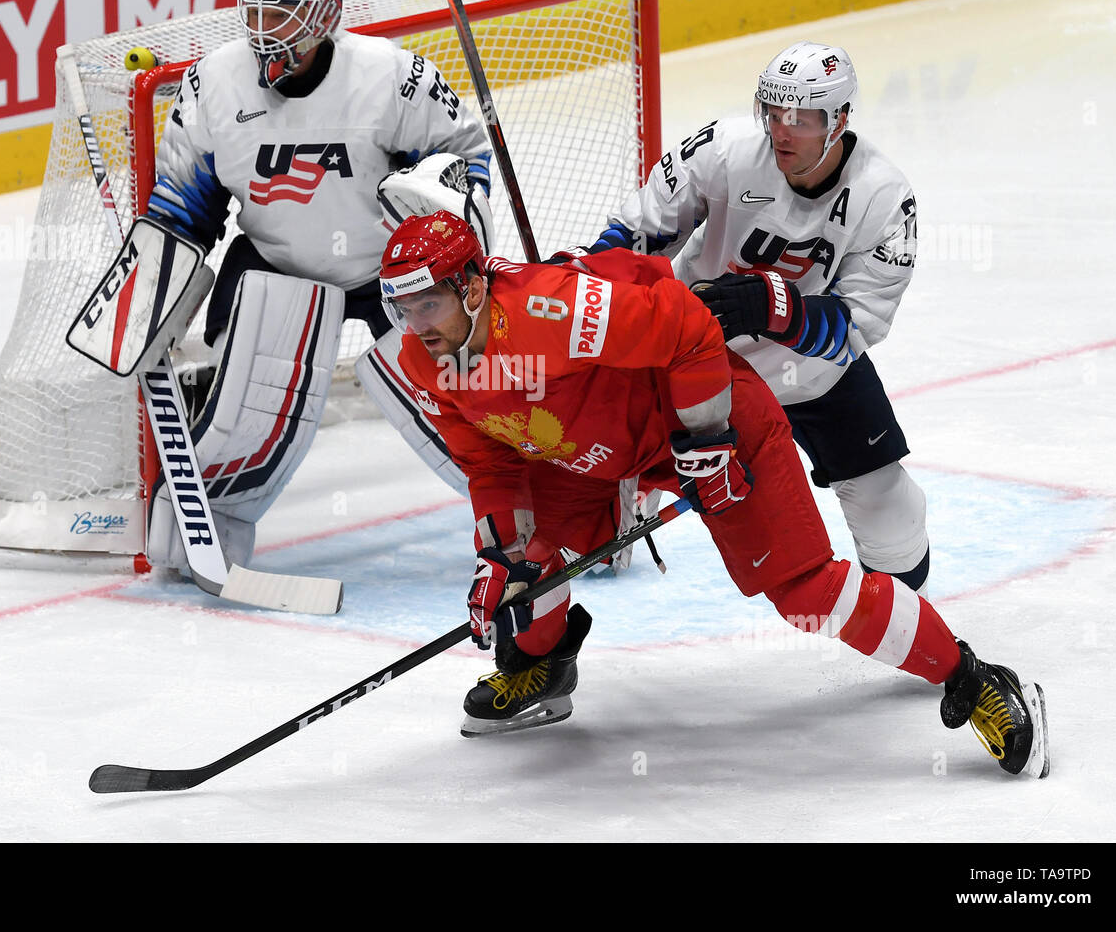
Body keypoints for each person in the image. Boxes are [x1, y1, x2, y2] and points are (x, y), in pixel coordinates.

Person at [382, 209, 1048, 777]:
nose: (416, 324)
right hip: (592, 448)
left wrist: (709, 437)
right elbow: (490, 465)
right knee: (522, 555)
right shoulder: (422, 359)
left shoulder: (551, 313)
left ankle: (973, 676)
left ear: (471, 286)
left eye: (428, 303)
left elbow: (688, 324)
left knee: (807, 593)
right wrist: (496, 553)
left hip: (700, 417)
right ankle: (543, 664)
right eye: (402, 308)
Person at [138, 0, 492, 572]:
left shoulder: (390, 76)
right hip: (275, 263)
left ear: (325, 16)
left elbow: (462, 155)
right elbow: (181, 206)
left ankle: (541, 515)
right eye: (257, 14)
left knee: (461, 403)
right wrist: (153, 293)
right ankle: (206, 530)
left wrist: (450, 243)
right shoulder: (214, 82)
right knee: (246, 411)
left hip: (393, 271)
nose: (266, 32)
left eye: (284, 15)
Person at [590, 41, 932, 597]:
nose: (781, 129)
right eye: (772, 112)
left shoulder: (884, 197)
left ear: (839, 119)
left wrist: (774, 308)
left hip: (813, 370)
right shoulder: (724, 149)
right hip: (693, 360)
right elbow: (637, 233)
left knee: (895, 534)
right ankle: (633, 478)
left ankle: (898, 629)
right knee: (591, 531)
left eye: (800, 118)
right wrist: (583, 279)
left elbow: (858, 326)